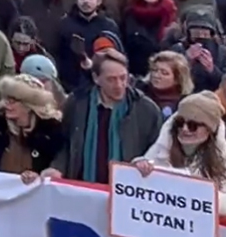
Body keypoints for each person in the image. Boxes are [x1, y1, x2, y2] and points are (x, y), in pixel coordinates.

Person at [44, 49, 162, 183]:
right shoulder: (77, 104)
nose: (119, 85)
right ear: (96, 78)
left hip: (126, 191)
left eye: (123, 78)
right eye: (111, 79)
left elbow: (158, 152)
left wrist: (146, 163)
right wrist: (57, 168)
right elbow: (66, 144)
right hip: (83, 188)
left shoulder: (146, 110)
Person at [134, 92, 226, 215]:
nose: (184, 129)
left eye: (193, 125)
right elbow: (136, 186)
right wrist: (138, 167)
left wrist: (203, 197)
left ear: (209, 130)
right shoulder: (161, 150)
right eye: (180, 123)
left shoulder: (223, 160)